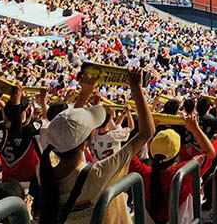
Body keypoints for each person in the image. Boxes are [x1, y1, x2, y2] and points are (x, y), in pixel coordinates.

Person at [35, 67, 154, 224]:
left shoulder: (44, 169)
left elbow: (68, 131)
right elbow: (146, 132)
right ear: (85, 144)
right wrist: (136, 87)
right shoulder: (98, 174)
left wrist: (84, 94)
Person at [132, 114, 216, 224]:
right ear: (176, 155)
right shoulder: (184, 172)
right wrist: (195, 129)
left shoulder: (141, 173)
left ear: (151, 152)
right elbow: (210, 153)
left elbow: (128, 154)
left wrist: (146, 134)